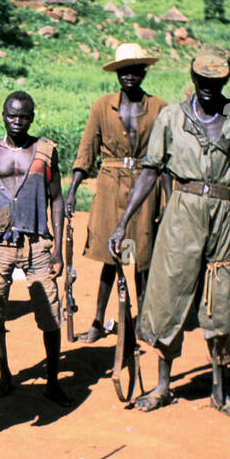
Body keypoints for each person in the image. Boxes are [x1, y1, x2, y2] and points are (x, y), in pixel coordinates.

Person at [107, 45, 230, 420]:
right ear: (192, 78)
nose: (208, 86)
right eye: (202, 79)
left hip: (224, 216)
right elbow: (151, 170)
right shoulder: (172, 118)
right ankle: (163, 386)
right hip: (182, 213)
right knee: (168, 293)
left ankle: (220, 392)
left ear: (226, 79)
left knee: (219, 301)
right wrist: (123, 222)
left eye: (216, 80)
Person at [0, 91, 70, 403]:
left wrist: (57, 250)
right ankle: (4, 375)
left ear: (32, 117)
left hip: (37, 243)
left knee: (49, 314)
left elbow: (57, 199)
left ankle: (53, 381)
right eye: (12, 115)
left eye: (23, 116)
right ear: (2, 115)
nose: (17, 121)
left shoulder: (45, 151)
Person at [66, 43, 168, 342]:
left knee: (140, 257)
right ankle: (98, 322)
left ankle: (143, 323)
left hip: (146, 184)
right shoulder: (102, 106)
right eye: (124, 71)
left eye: (135, 70)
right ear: (117, 73)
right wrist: (72, 190)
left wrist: (167, 199)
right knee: (111, 259)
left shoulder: (159, 107)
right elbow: (87, 149)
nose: (130, 76)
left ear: (144, 72)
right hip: (110, 183)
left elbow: (168, 157)